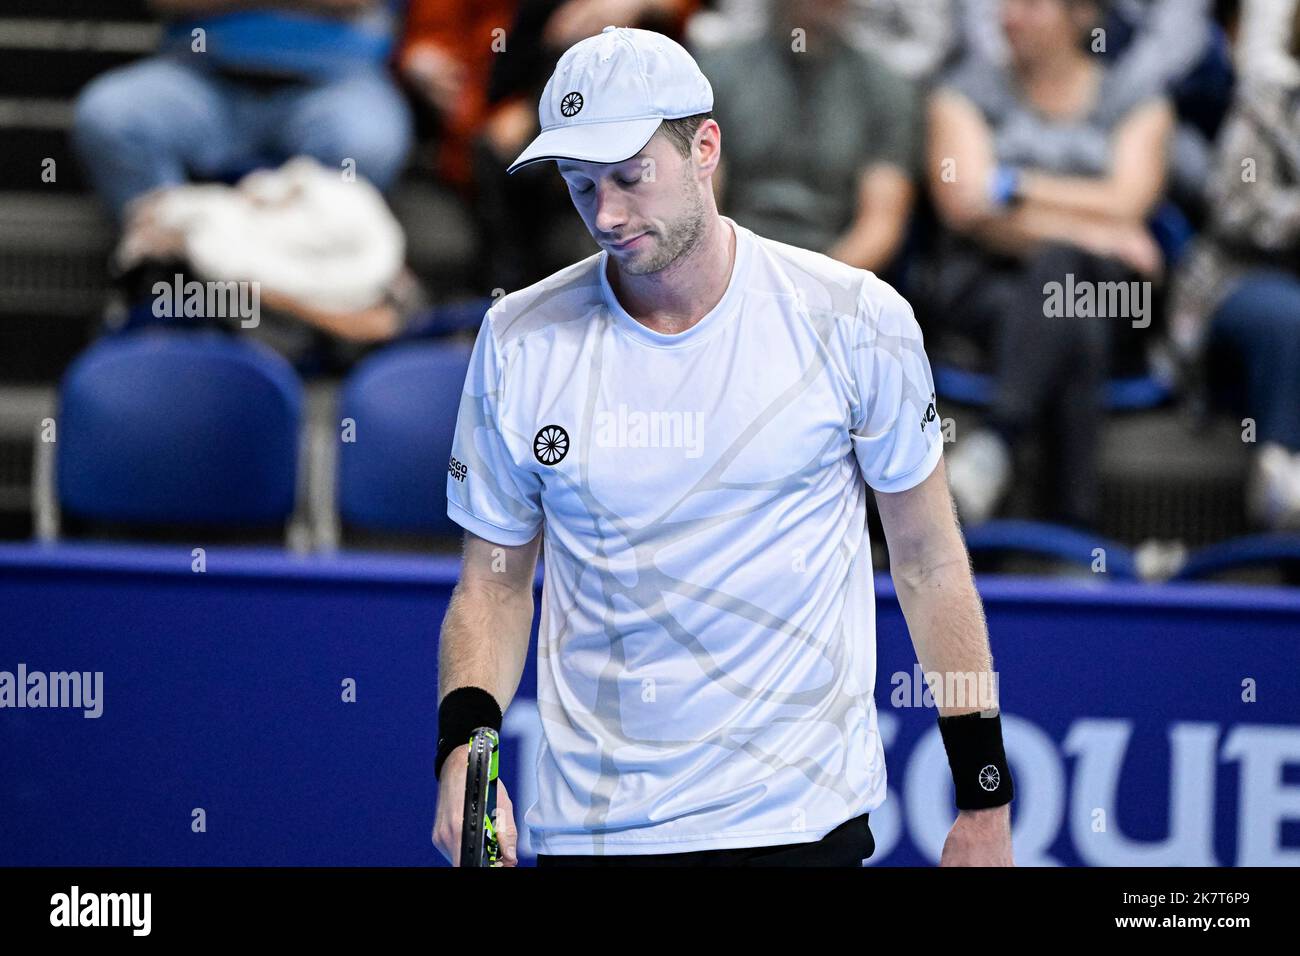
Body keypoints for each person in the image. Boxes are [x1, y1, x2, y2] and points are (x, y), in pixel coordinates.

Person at [431, 27, 1015, 866]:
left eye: (631, 178)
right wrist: (464, 749)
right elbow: (493, 587)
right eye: (580, 184)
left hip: (799, 825)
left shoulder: (856, 318)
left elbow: (928, 562)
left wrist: (983, 795)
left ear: (705, 147)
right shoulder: (518, 338)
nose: (607, 215)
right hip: (590, 834)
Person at [924, 0, 1173, 528]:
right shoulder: (962, 92)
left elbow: (1130, 200)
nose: (1009, 16)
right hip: (990, 286)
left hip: (1118, 296)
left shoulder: (1136, 98)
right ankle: (1075, 532)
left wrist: (1013, 185)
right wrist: (1093, 230)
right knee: (1070, 307)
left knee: (1066, 289)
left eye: (1032, 5)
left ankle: (996, 445)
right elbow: (963, 203)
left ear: (1081, 15)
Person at [1167, 0, 1300, 529]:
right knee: (1289, 315)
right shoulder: (1270, 100)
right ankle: (1279, 475)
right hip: (1238, 286)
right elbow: (1233, 204)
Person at [696, 0, 920, 273]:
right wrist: (738, 280)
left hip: (834, 273)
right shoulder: (716, 76)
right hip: (732, 264)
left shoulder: (885, 89)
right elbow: (702, 203)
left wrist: (815, 287)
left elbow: (880, 224)